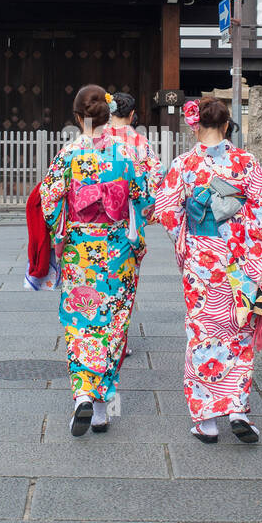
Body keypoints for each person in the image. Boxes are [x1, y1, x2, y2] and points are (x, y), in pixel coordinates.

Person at [154, 96, 262, 444]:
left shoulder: (184, 165)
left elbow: (166, 211)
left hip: (203, 262)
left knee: (202, 332)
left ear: (196, 126)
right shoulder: (246, 162)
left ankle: (207, 420)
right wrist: (243, 232)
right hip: (242, 261)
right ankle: (237, 408)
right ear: (226, 126)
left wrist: (188, 242)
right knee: (240, 332)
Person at [39, 85, 156, 436]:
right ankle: (102, 409)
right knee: (113, 324)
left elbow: (48, 204)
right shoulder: (127, 153)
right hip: (118, 252)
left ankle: (82, 397)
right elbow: (146, 198)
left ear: (78, 118)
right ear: (109, 114)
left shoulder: (68, 154)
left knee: (81, 321)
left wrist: (61, 230)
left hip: (80, 252)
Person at [95, 92, 163, 362]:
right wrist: (145, 213)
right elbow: (153, 182)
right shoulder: (140, 143)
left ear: (109, 112)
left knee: (97, 279)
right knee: (124, 285)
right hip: (127, 224)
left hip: (93, 224)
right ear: (133, 114)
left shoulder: (94, 140)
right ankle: (118, 342)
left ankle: (94, 338)